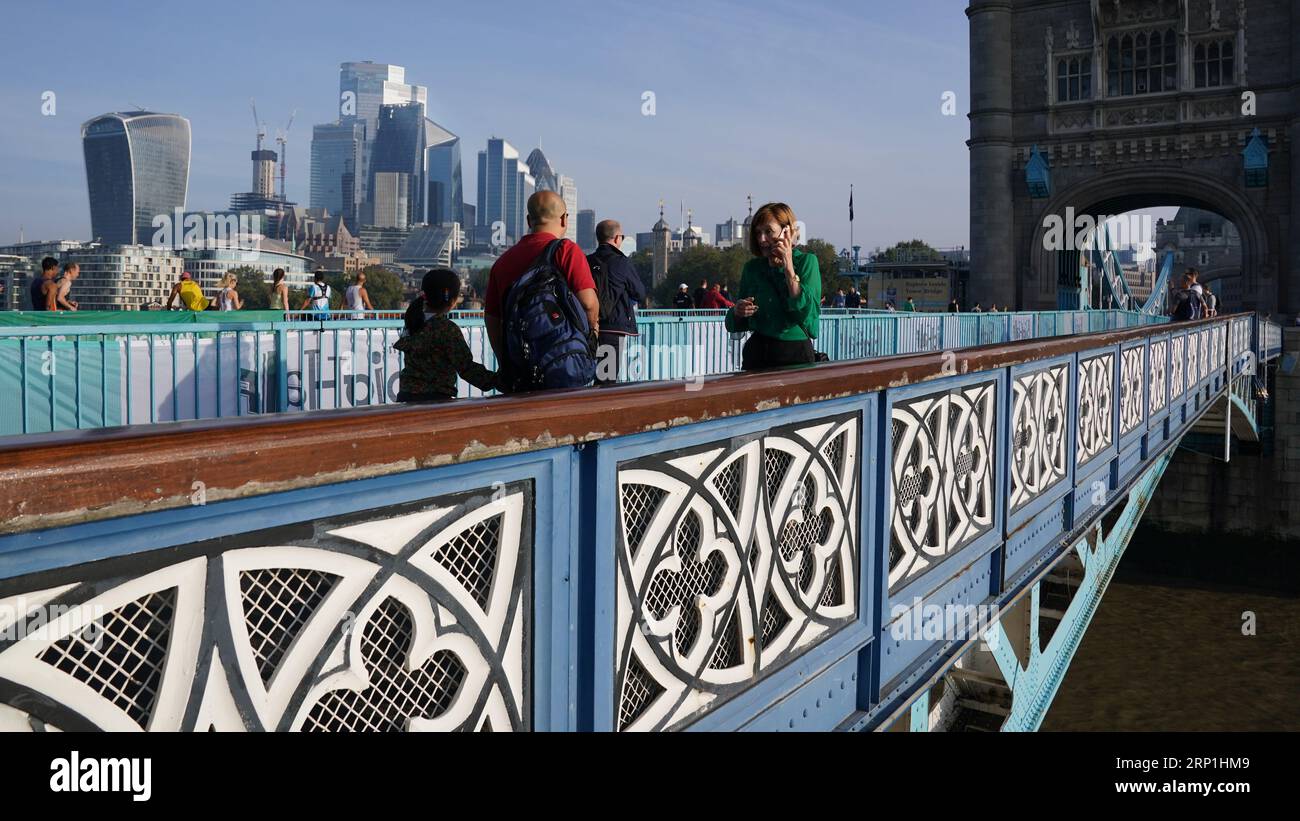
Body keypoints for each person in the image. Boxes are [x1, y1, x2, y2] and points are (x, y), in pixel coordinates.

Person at [485, 190, 599, 391]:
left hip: (521, 373)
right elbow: (588, 303)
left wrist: (507, 363)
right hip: (564, 368)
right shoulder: (566, 250)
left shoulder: (502, 262)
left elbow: (493, 319)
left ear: (529, 220)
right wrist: (591, 340)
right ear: (564, 219)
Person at [725, 202, 821, 370]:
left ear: (787, 232)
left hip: (794, 356)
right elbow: (735, 325)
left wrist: (788, 266)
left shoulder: (807, 262)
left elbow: (808, 314)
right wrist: (738, 312)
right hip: (756, 353)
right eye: (758, 233)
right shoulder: (752, 268)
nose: (762, 239)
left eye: (768, 231)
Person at [394, 268, 499, 401]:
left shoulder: (412, 322)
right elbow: (466, 367)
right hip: (434, 400)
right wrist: (497, 381)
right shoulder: (447, 329)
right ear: (452, 301)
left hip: (405, 397)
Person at [587, 219, 646, 385]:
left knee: (586, 376)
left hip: (588, 326)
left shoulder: (587, 260)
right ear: (617, 238)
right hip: (613, 328)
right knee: (606, 380)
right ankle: (601, 409)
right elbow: (640, 293)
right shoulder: (622, 262)